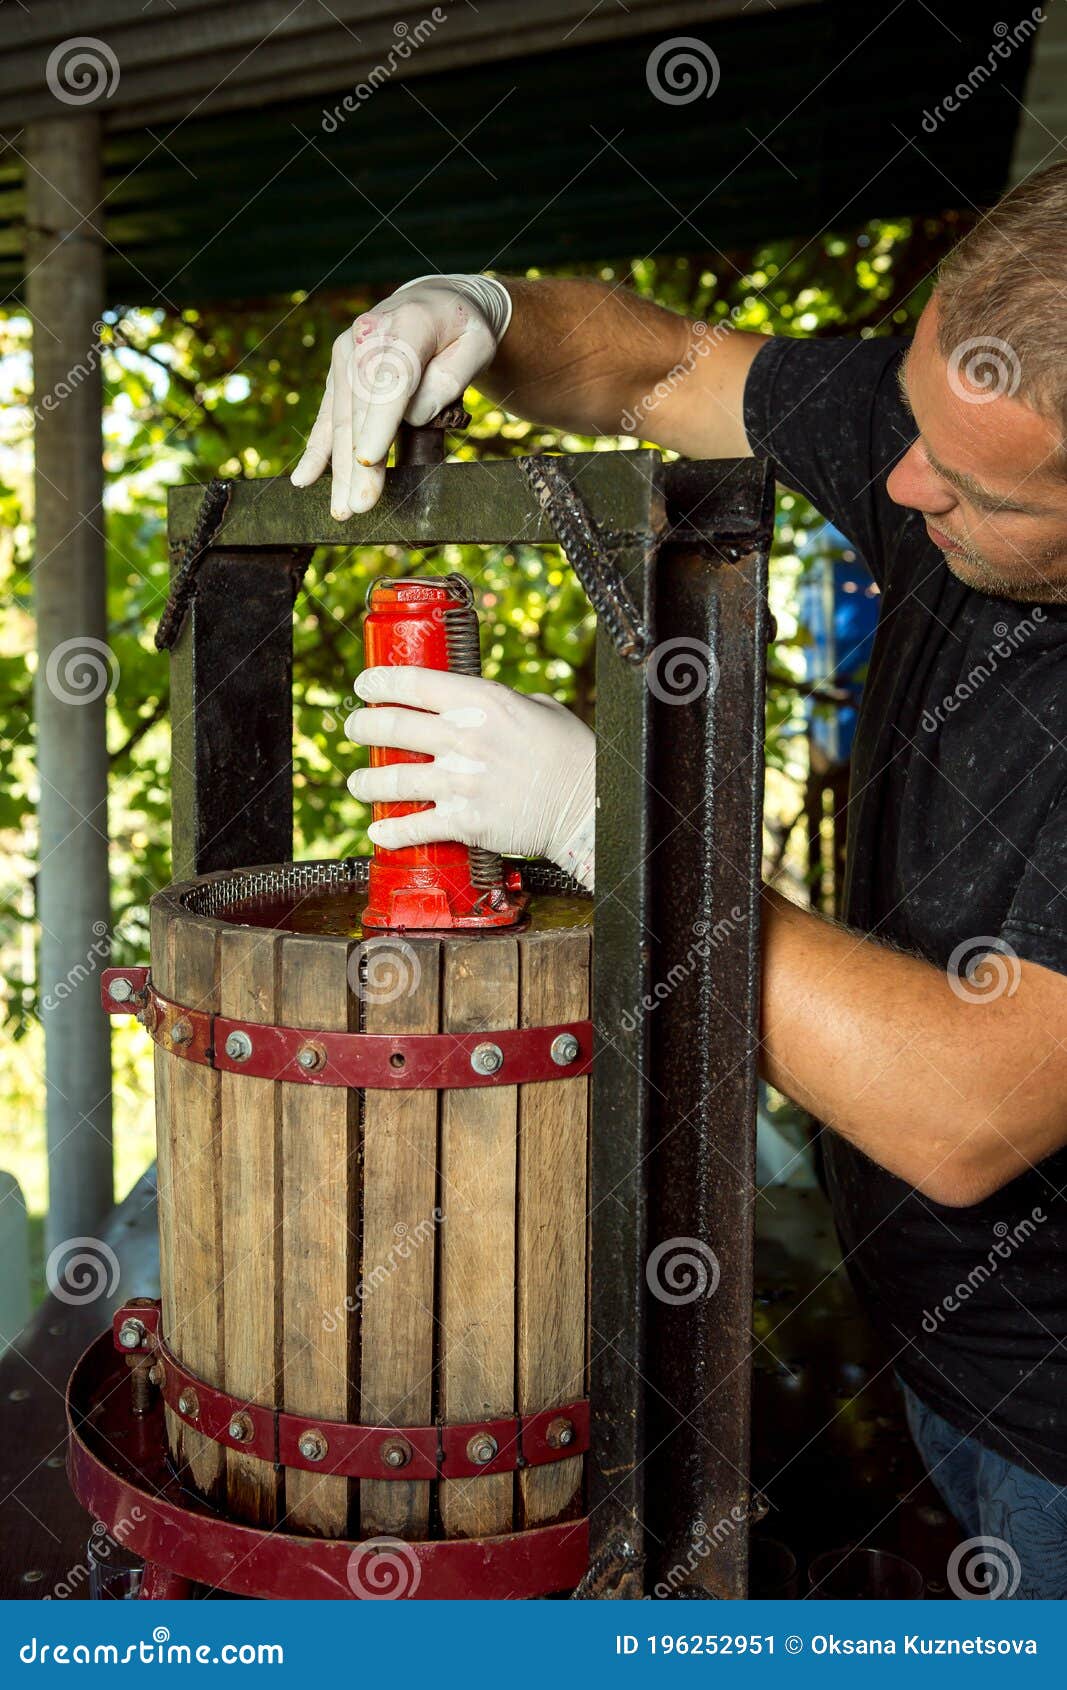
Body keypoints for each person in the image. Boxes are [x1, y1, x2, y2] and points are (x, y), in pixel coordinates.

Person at [292, 167, 1067, 1598]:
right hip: (945, 1353)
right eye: (912, 428)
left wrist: (623, 823)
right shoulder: (970, 414)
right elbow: (663, 369)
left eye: (964, 486)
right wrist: (476, 308)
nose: (897, 486)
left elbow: (969, 1105)